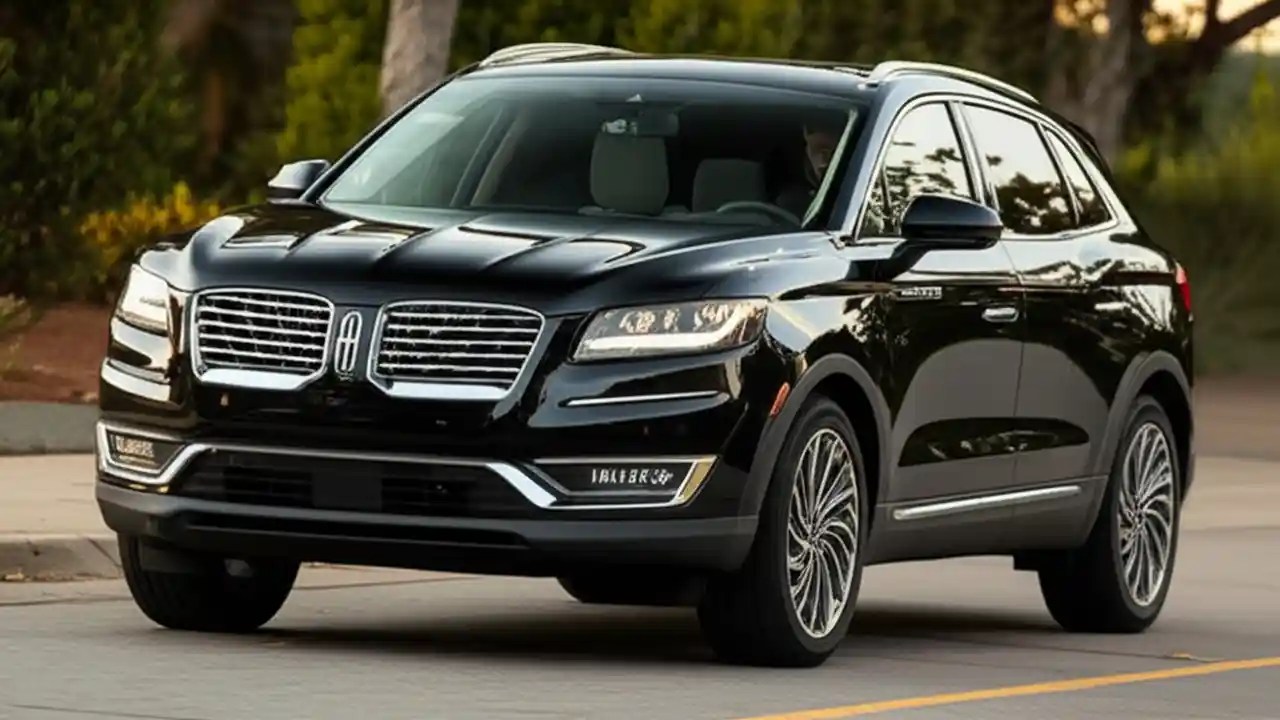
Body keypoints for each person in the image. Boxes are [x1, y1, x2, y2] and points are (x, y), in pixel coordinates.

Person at [775, 117, 842, 219]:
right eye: (817, 149)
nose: (823, 159)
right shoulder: (790, 203)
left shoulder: (853, 197)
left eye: (832, 151)